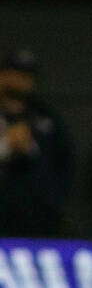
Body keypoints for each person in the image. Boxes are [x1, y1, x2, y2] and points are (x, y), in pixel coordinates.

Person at [0, 48, 74, 237]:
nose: (20, 81)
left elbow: (64, 165)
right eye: (14, 74)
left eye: (26, 75)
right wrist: (6, 147)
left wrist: (30, 148)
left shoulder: (45, 118)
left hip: (36, 221)